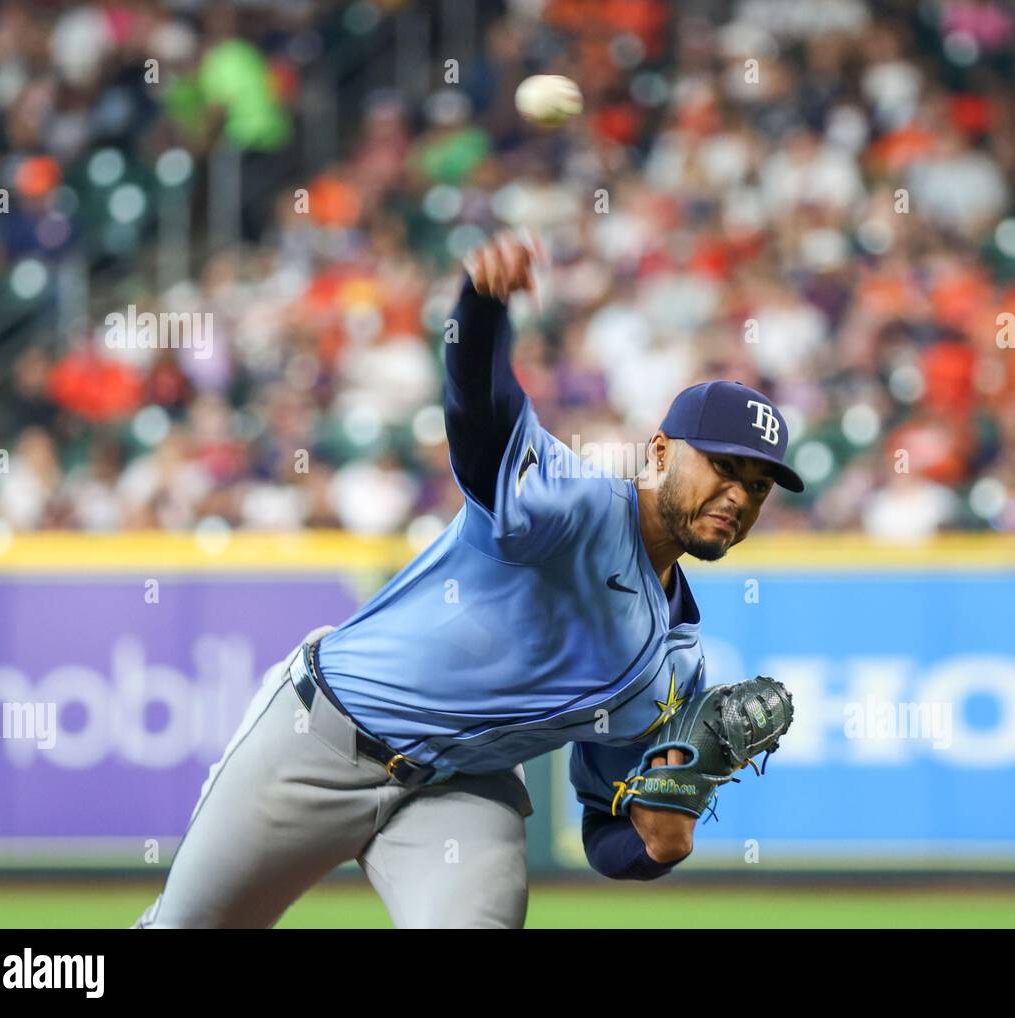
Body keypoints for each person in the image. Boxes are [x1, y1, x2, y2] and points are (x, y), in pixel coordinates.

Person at [134, 232, 804, 928]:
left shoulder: (679, 665)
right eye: (723, 468)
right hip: (325, 735)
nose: (738, 495)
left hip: (461, 792)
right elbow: (481, 425)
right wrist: (481, 308)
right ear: (660, 452)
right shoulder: (574, 505)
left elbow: (608, 837)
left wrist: (663, 835)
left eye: (757, 487)